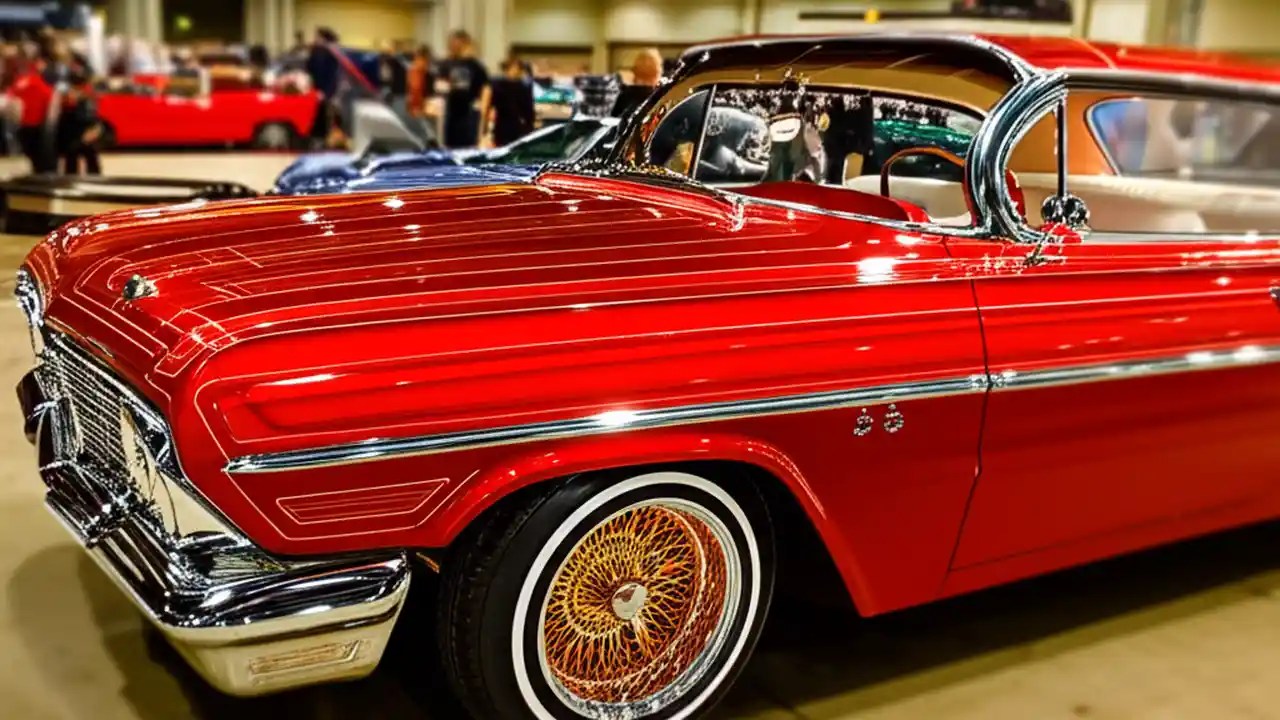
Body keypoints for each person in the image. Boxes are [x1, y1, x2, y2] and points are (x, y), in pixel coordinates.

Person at [440, 29, 489, 148]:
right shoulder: (446, 64)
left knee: (467, 147)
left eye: (456, 43)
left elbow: (485, 90)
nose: (452, 46)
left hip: (469, 113)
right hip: (451, 112)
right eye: (451, 43)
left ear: (464, 43)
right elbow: (440, 84)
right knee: (450, 146)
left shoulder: (476, 66)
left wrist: (483, 116)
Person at [9, 54, 54, 172]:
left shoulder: (20, 82)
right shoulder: (39, 83)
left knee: (30, 151)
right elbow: (50, 99)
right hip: (37, 123)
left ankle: (36, 169)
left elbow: (12, 99)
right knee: (39, 152)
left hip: (24, 122)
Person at [57, 66, 100, 175]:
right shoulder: (68, 95)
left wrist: (93, 128)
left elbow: (91, 115)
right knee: (72, 158)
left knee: (90, 157)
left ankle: (94, 180)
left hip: (84, 129)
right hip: (71, 131)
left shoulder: (87, 94)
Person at [489, 57, 534, 147]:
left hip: (518, 125)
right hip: (502, 124)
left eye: (517, 69)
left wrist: (529, 126)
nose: (514, 71)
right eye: (511, 68)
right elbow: (491, 104)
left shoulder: (524, 87)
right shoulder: (498, 86)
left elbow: (528, 108)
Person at [611, 47, 662, 118]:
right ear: (656, 72)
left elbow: (613, 120)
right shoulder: (659, 97)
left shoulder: (624, 96)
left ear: (635, 71)